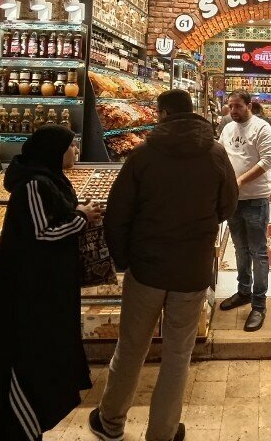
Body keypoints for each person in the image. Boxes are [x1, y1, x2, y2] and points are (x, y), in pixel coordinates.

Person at [90, 89, 238, 441]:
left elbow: (118, 214)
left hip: (147, 268)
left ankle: (111, 421)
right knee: (178, 354)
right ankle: (163, 432)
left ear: (161, 114)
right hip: (192, 268)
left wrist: (125, 260)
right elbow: (229, 205)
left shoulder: (142, 156)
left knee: (131, 346)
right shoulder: (215, 153)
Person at [0, 125, 101, 440]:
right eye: (71, 147)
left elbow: (49, 218)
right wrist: (81, 219)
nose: (75, 152)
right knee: (29, 358)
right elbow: (43, 232)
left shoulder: (46, 181)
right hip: (30, 290)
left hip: (44, 287)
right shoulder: (34, 185)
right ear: (54, 151)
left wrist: (76, 210)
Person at [218, 89, 271, 332]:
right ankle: (243, 291)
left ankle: (259, 304)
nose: (233, 112)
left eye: (237, 107)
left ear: (249, 105)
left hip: (255, 199)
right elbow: (220, 154)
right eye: (230, 107)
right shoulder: (228, 128)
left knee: (258, 251)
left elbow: (267, 160)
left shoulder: (262, 128)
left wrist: (240, 181)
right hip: (234, 200)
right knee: (240, 248)